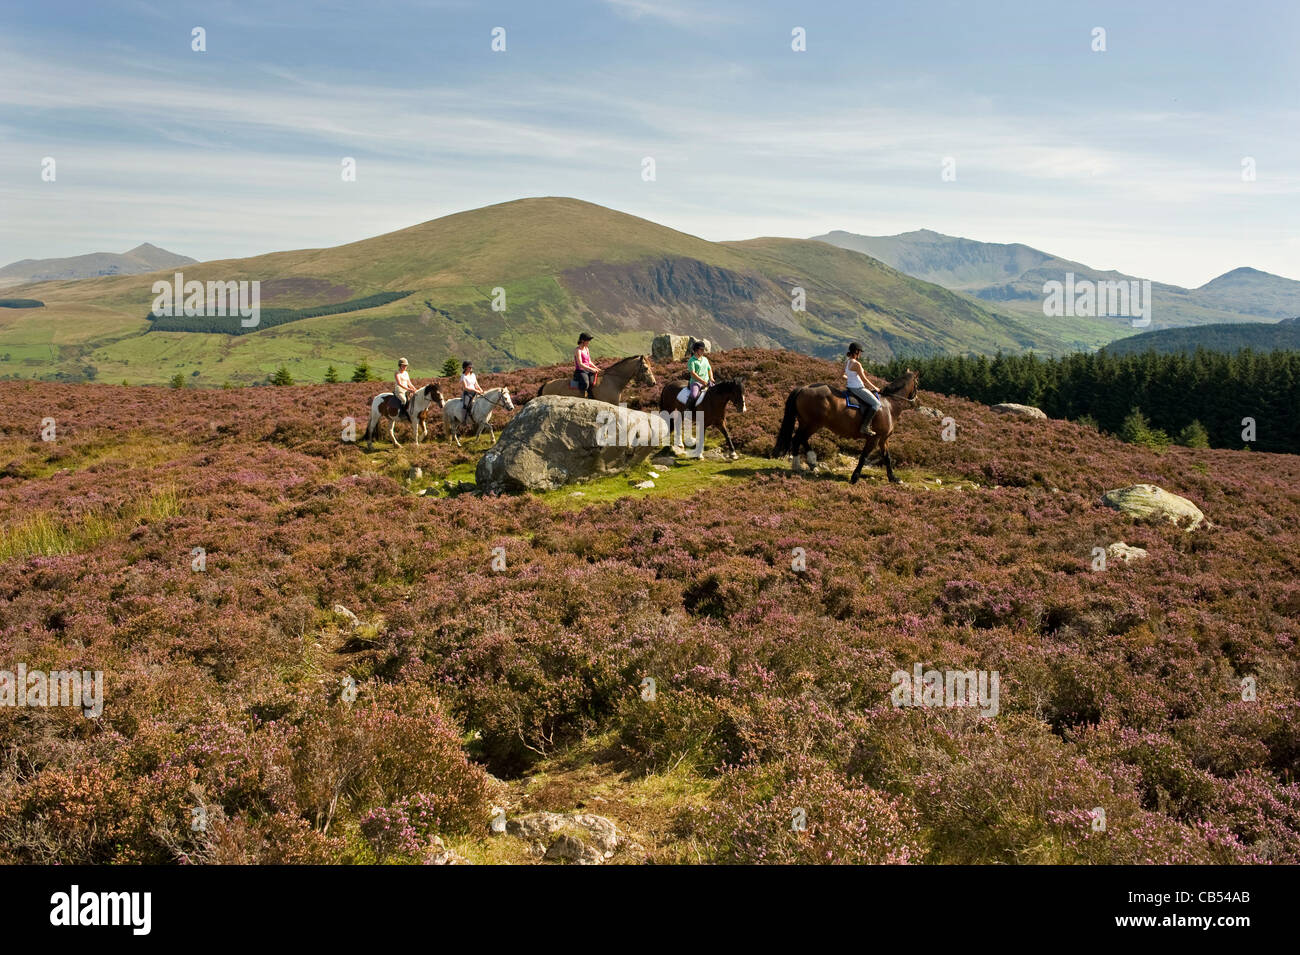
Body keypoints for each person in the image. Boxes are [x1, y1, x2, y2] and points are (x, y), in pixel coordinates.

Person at [841, 343, 881, 436]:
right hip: (858, 388)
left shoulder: (846, 362)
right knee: (876, 404)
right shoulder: (857, 364)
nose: (861, 354)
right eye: (860, 352)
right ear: (856, 351)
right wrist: (875, 387)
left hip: (850, 387)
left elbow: (842, 375)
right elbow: (864, 379)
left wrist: (850, 379)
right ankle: (865, 427)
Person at [459, 360, 486, 432]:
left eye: (471, 367)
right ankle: (464, 420)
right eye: (469, 367)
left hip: (475, 392)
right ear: (465, 368)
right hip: (467, 393)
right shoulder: (463, 376)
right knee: (466, 405)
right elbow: (465, 387)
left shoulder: (473, 375)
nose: (471, 368)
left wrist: (481, 390)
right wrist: (476, 390)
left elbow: (476, 384)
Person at [686, 340, 714, 406]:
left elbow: (709, 369)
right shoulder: (691, 361)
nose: (703, 351)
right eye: (701, 350)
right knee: (694, 395)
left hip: (707, 382)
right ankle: (689, 409)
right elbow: (693, 373)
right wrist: (702, 381)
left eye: (703, 350)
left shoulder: (705, 359)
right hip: (696, 382)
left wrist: (711, 378)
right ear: (696, 350)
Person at [574, 333, 600, 399]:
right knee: (586, 384)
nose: (589, 342)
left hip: (587, 370)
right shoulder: (578, 350)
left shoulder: (586, 349)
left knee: (593, 383)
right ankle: (581, 397)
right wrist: (591, 369)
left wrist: (596, 368)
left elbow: (589, 361)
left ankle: (590, 397)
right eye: (587, 340)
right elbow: (580, 364)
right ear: (582, 341)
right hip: (580, 371)